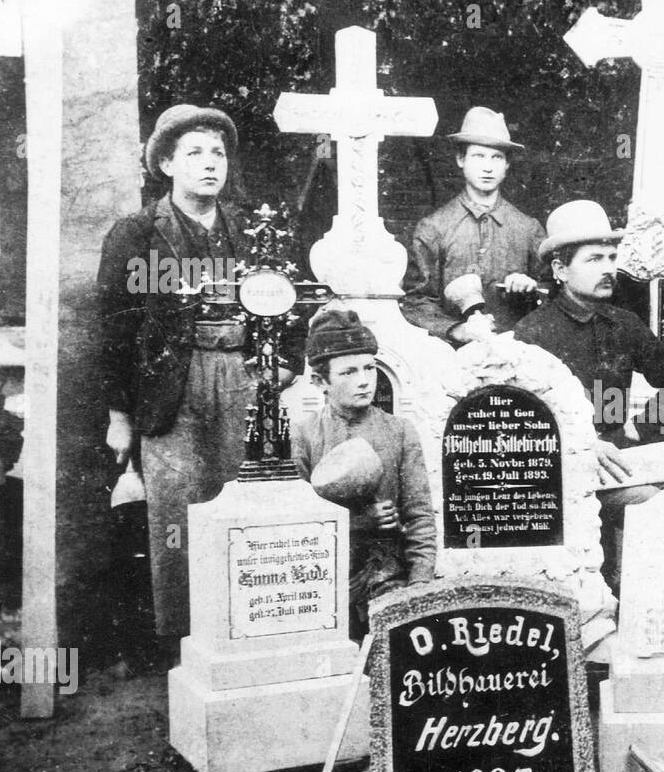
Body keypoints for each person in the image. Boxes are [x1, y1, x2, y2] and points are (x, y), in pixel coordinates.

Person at [98, 104, 305, 657]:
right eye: (193, 153)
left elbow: (290, 302)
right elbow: (115, 329)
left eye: (217, 153)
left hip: (241, 378)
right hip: (170, 386)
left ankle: (241, 633)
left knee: (240, 503)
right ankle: (181, 643)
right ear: (166, 163)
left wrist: (284, 364)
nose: (209, 164)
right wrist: (119, 415)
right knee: (178, 513)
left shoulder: (254, 229)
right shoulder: (138, 232)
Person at [514, 200, 664, 591]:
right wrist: (583, 442)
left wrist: (640, 427)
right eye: (594, 258)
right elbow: (525, 418)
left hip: (624, 461)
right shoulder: (533, 332)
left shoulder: (623, 323)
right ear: (560, 270)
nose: (607, 268)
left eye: (612, 257)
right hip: (566, 473)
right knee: (657, 507)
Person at [292, 309, 436, 641]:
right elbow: (297, 528)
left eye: (369, 368)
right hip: (322, 582)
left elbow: (419, 515)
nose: (364, 380)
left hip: (388, 576)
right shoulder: (304, 435)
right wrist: (360, 522)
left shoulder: (399, 431)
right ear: (320, 381)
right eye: (348, 372)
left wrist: (419, 587)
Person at [400, 106, 546, 345]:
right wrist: (457, 330)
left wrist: (532, 289)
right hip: (452, 356)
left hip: (517, 354)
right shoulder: (434, 228)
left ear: (507, 163)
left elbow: (554, 294)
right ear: (461, 159)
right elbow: (415, 302)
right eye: (478, 156)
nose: (487, 167)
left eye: (496, 157)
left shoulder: (529, 229)